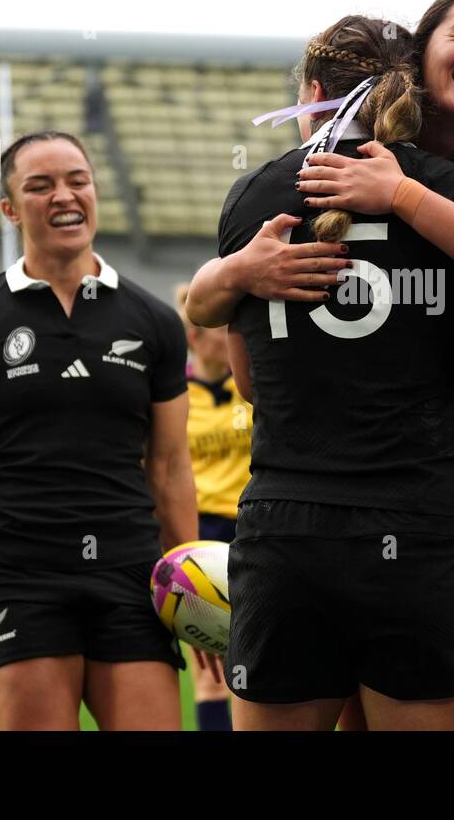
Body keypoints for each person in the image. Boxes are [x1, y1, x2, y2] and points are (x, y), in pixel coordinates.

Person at [214, 14, 454, 731]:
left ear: (310, 91)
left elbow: (246, 379)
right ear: (413, 78)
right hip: (427, 510)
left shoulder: (256, 196)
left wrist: (227, 277)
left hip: (311, 517)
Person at [0, 130, 202, 730]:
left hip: (129, 571)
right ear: (10, 209)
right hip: (20, 572)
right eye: (39, 186)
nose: (63, 195)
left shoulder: (155, 322)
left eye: (77, 180)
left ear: (94, 192)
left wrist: (188, 585)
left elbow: (168, 466)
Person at [174, 281, 253, 731]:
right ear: (194, 338)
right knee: (211, 675)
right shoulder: (176, 398)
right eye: (220, 330)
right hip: (200, 538)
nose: (229, 338)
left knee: (257, 667)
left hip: (250, 532)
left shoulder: (251, 387)